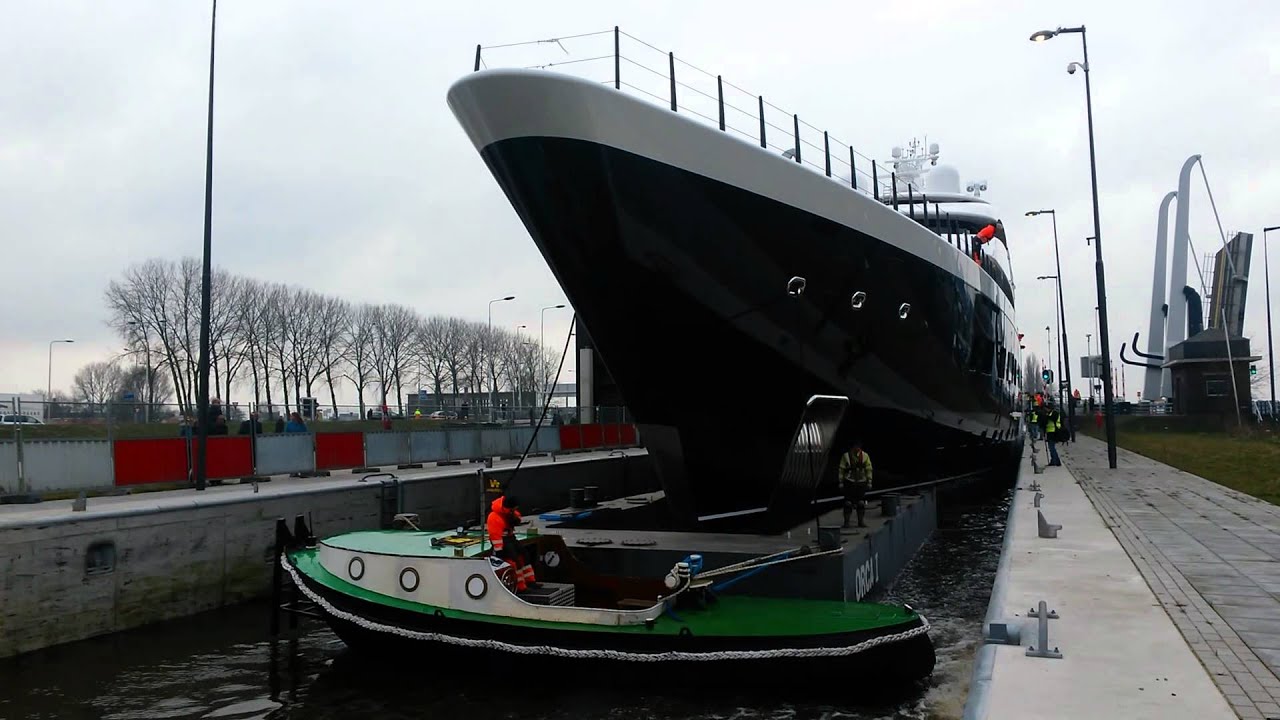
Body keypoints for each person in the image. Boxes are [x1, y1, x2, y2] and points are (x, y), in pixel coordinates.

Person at [486, 495, 535, 591]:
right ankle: (520, 586)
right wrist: (499, 550)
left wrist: (515, 519)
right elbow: (495, 535)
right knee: (514, 560)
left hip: (511, 538)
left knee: (524, 556)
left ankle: (530, 581)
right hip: (504, 541)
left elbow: (517, 516)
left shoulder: (509, 513)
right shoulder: (494, 517)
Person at [838, 439, 873, 529]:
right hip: (849, 482)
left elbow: (869, 469)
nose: (857, 448)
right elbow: (841, 469)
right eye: (855, 446)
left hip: (861, 482)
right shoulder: (846, 456)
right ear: (852, 446)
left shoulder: (865, 456)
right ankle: (846, 522)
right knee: (848, 503)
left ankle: (861, 522)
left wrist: (869, 481)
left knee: (861, 503)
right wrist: (841, 482)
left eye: (858, 446)